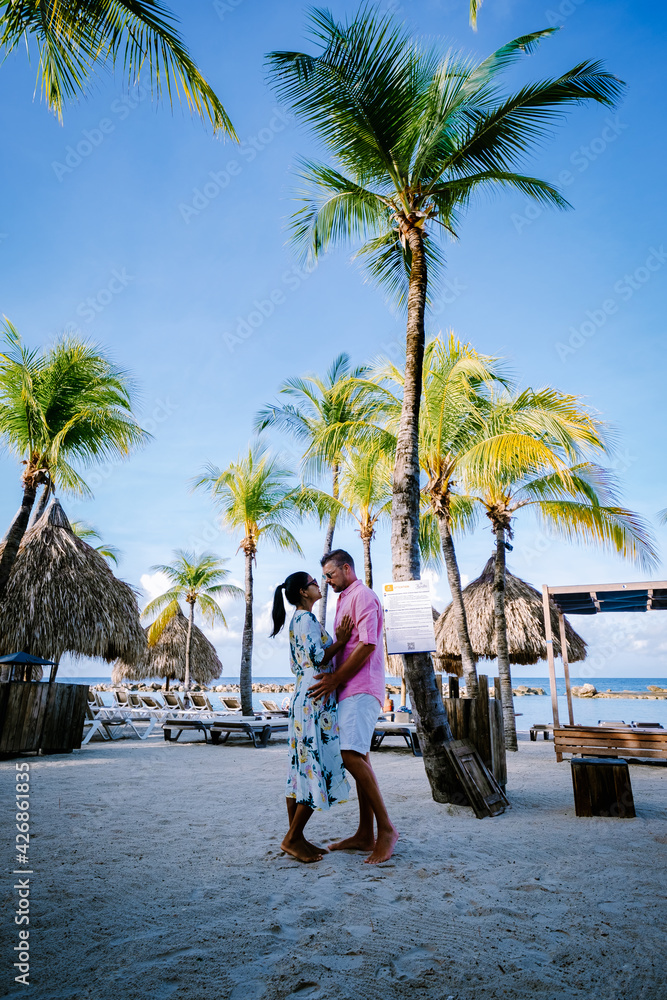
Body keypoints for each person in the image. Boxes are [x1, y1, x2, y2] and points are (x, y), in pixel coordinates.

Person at [308, 549, 399, 864]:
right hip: (349, 689)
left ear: (347, 568)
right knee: (359, 756)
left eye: (331, 574)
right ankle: (364, 833)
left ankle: (386, 829)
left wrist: (335, 681)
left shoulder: (363, 595)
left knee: (349, 754)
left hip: (361, 688)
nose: (328, 581)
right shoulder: (344, 598)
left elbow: (368, 644)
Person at [271, 571, 352, 864]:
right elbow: (319, 657)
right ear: (304, 592)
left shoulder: (297, 620)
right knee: (313, 764)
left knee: (300, 766)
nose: (320, 584)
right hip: (315, 694)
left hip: (303, 692)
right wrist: (341, 641)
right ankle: (292, 838)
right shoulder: (306, 619)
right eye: (314, 582)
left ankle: (297, 836)